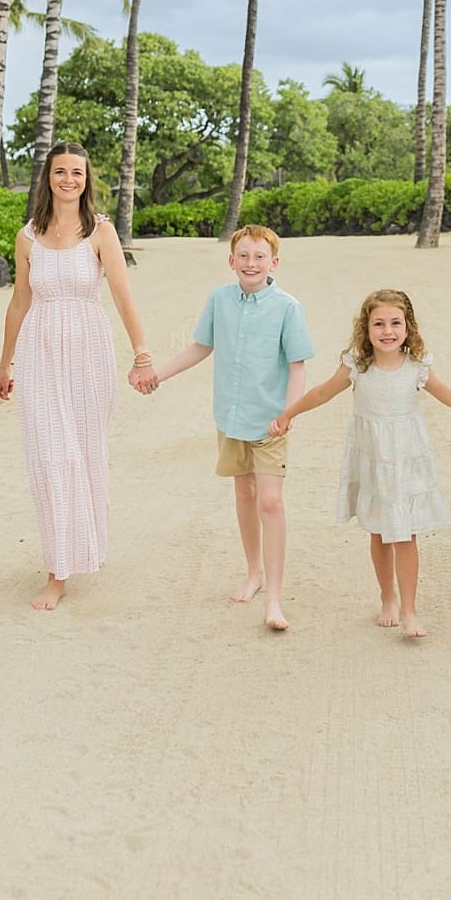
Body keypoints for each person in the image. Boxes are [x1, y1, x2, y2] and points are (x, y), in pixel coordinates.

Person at [269, 289, 451, 639]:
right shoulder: (357, 366)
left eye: (395, 323)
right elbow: (322, 392)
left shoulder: (417, 367)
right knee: (379, 531)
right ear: (366, 327)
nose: (387, 331)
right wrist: (288, 413)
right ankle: (386, 595)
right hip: (374, 458)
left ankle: (409, 608)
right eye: (378, 324)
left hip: (406, 459)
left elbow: (449, 395)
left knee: (406, 534)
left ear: (408, 327)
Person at [0, 140, 155, 610]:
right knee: (50, 455)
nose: (69, 179)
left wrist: (141, 354)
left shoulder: (100, 231)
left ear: (87, 180)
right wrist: (5, 365)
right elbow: (20, 301)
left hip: (88, 350)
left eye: (77, 173)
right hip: (40, 350)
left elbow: (124, 297)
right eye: (60, 171)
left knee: (83, 452)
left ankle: (81, 548)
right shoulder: (27, 236)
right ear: (47, 177)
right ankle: (57, 570)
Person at [136, 224, 313, 632]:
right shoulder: (219, 300)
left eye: (259, 256)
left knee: (271, 501)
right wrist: (158, 374)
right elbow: (201, 346)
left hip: (271, 420)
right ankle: (254, 572)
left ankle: (274, 598)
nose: (251, 263)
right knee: (245, 493)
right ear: (231, 261)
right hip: (231, 418)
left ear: (274, 262)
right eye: (244, 256)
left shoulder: (288, 307)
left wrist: (289, 413)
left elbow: (297, 365)